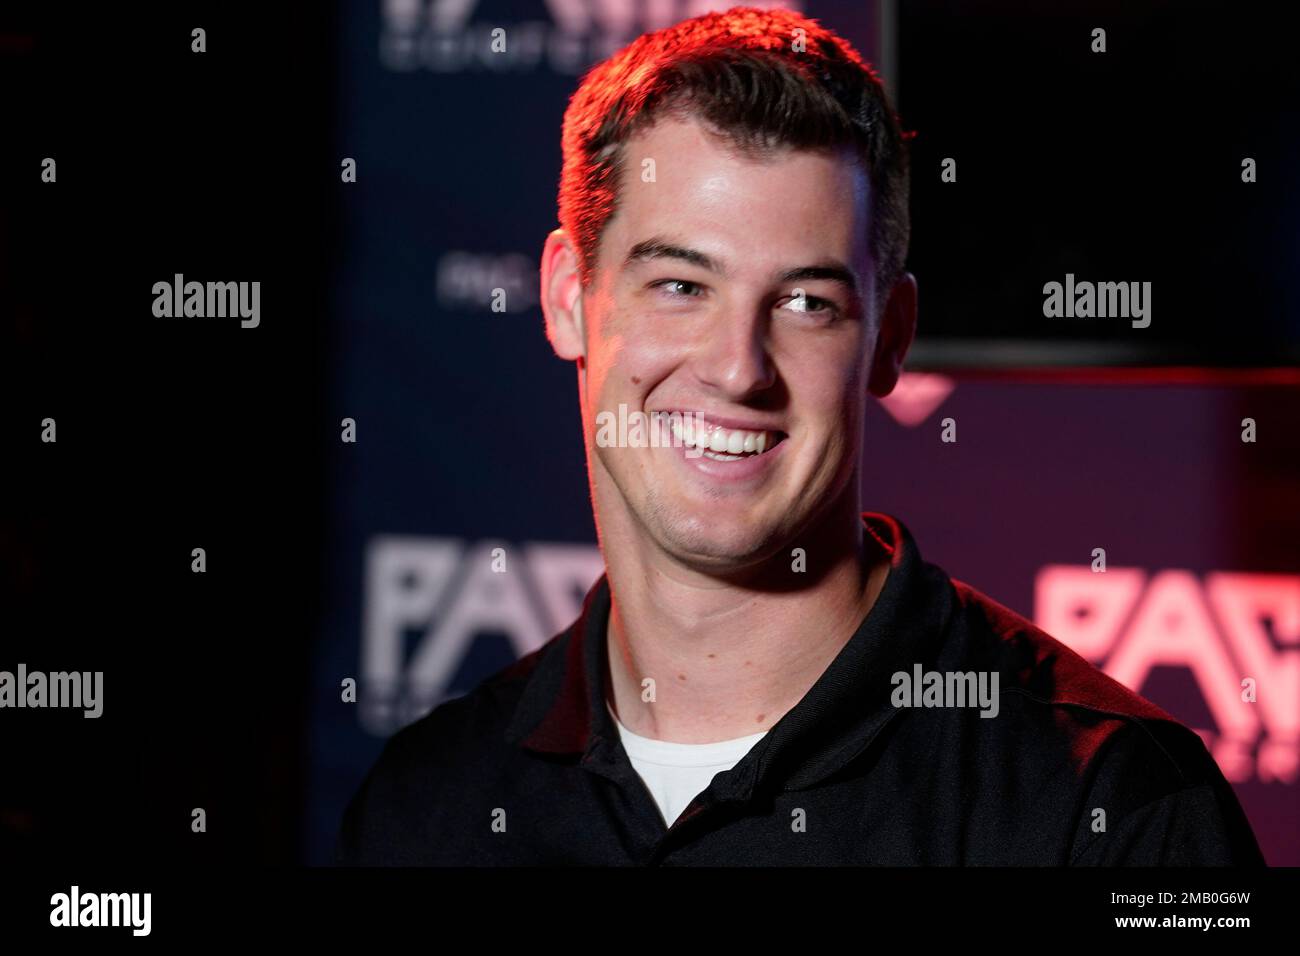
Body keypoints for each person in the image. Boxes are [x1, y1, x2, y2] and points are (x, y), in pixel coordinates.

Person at [337, 6, 1264, 865]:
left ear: (890, 338)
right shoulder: (427, 807)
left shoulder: (1117, 808)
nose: (739, 368)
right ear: (568, 296)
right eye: (680, 285)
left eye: (806, 302)